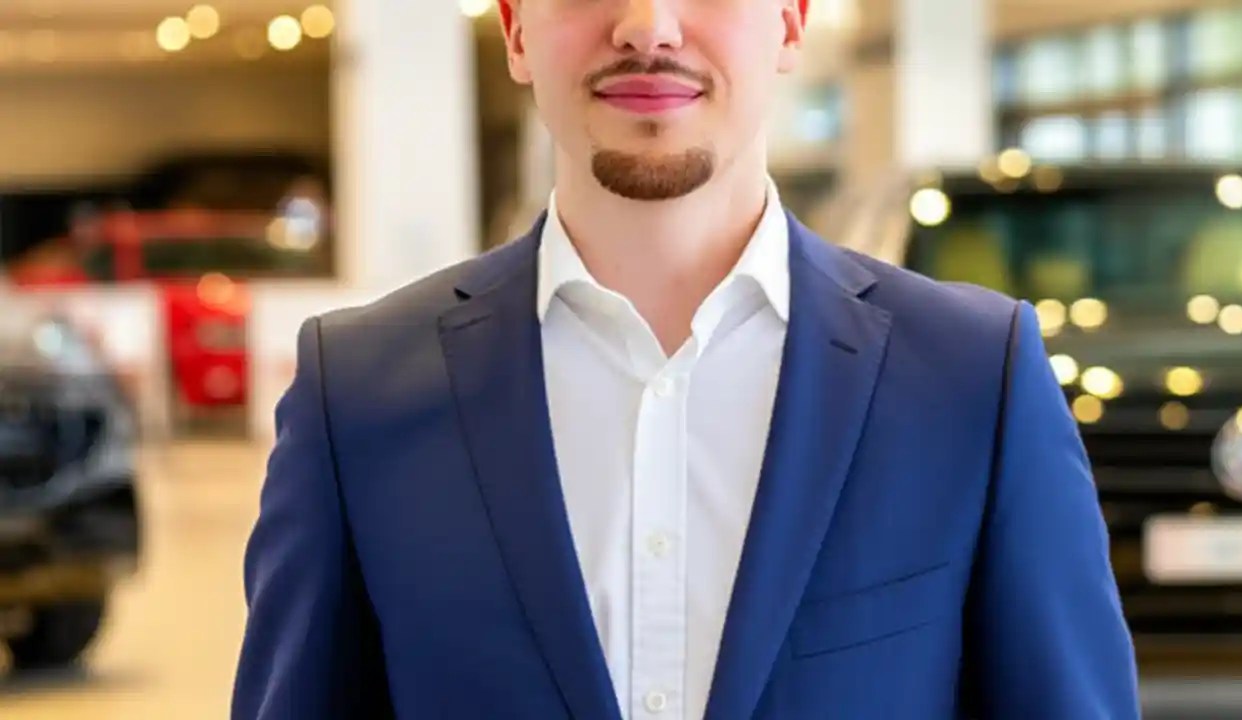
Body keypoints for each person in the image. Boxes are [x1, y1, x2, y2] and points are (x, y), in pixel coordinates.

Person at [231, 0, 1140, 717]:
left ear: (791, 17)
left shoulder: (974, 382)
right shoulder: (357, 398)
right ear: (514, 26)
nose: (646, 26)